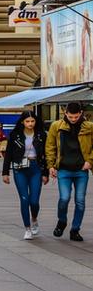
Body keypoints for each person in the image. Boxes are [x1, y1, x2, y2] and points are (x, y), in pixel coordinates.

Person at [46, 101, 93, 241]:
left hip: (81, 170)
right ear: (65, 113)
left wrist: (90, 161)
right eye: (70, 116)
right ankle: (62, 221)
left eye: (76, 117)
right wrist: (51, 165)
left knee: (80, 201)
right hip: (64, 169)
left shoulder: (89, 127)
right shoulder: (56, 126)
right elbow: (50, 147)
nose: (73, 119)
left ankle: (75, 230)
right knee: (64, 198)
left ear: (81, 113)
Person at [3, 110, 48, 240]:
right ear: (22, 122)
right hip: (19, 168)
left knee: (34, 201)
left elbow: (46, 154)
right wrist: (5, 173)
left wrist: (45, 173)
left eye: (32, 121)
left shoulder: (41, 135)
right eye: (27, 121)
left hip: (36, 168)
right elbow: (8, 154)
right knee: (24, 199)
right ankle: (27, 228)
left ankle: (34, 219)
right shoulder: (15, 135)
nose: (30, 124)